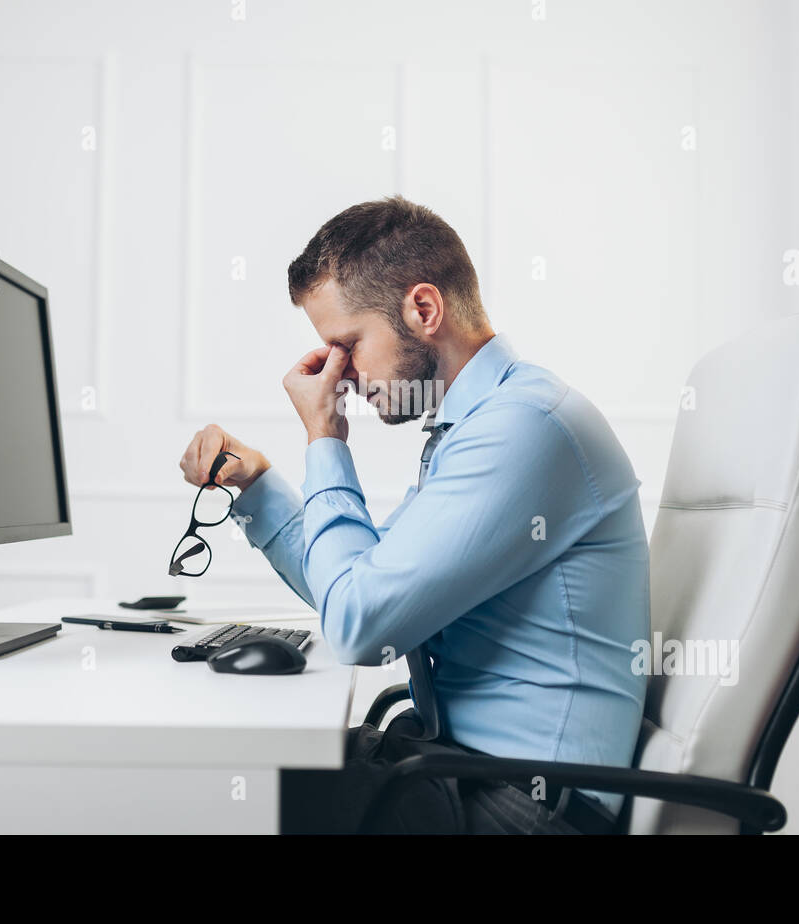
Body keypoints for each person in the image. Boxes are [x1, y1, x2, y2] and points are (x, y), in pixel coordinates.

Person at [178, 195, 650, 833]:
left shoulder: (523, 429)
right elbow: (360, 584)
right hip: (460, 770)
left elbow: (360, 624)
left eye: (347, 344)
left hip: (530, 808)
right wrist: (258, 487)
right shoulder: (475, 428)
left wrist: (325, 438)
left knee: (221, 802)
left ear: (424, 308)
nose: (339, 376)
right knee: (230, 776)